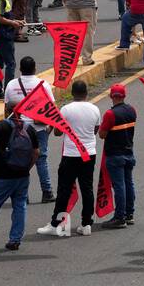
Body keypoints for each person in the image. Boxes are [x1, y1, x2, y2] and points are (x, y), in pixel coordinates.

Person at [37, 80, 100, 237]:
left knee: (64, 190)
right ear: (86, 93)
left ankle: (56, 224)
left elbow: (58, 133)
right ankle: (86, 224)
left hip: (71, 154)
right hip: (89, 153)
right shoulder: (95, 109)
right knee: (87, 188)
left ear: (72, 93)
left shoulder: (66, 109)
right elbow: (95, 130)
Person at [0, 105, 40, 252]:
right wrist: (27, 168)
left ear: (7, 110)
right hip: (22, 176)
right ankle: (15, 240)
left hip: (2, 176)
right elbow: (36, 152)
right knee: (20, 206)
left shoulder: (2, 126)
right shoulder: (29, 129)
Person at [3, 56, 54, 203]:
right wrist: (48, 128)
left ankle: (22, 195)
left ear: (20, 69)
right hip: (38, 128)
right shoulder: (42, 85)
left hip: (19, 129)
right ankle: (47, 192)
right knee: (41, 160)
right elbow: (50, 109)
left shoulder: (12, 85)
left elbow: (7, 109)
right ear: (35, 68)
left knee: (20, 161)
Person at [97, 83, 137, 228]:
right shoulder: (132, 110)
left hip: (114, 155)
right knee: (129, 184)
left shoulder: (110, 114)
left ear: (111, 96)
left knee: (119, 186)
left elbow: (102, 135)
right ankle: (129, 214)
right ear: (124, 96)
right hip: (128, 153)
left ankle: (120, 217)